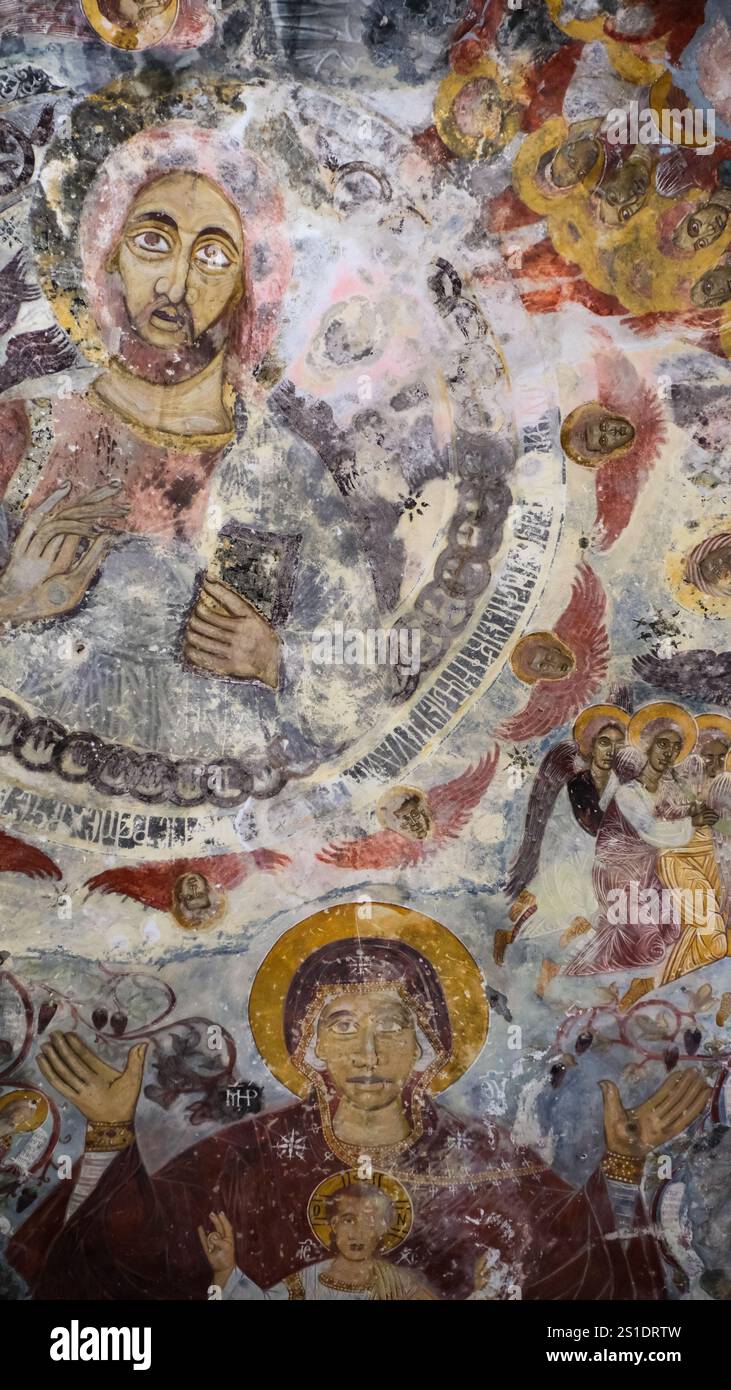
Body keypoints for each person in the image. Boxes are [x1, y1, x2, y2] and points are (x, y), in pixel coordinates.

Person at [8, 902, 710, 1300]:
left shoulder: (486, 1160)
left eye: (390, 1026)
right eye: (340, 1025)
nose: (367, 1053)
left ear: (429, 1042)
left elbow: (580, 1279)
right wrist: (106, 1136)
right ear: (306, 1045)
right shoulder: (239, 1158)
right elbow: (124, 1271)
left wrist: (620, 1165)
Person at [0, 103, 389, 785]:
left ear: (248, 285)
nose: (177, 283)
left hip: (214, 805)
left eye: (212, 256)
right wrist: (14, 603)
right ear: (106, 253)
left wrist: (274, 658)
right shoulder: (23, 428)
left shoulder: (283, 472)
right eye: (153, 241)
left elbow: (363, 686)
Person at [566, 703, 724, 987]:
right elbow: (651, 830)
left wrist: (695, 815)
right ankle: (611, 981)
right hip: (619, 871)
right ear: (648, 746)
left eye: (675, 748)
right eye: (662, 744)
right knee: (645, 941)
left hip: (650, 867)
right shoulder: (628, 792)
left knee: (679, 912)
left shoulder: (667, 788)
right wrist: (693, 822)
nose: (668, 753)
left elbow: (675, 816)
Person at [202, 1173, 437, 1301]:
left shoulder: (401, 1285)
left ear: (384, 1229)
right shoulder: (307, 1282)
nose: (358, 1232)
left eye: (370, 1222)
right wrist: (225, 1270)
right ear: (333, 1225)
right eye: (348, 1219)